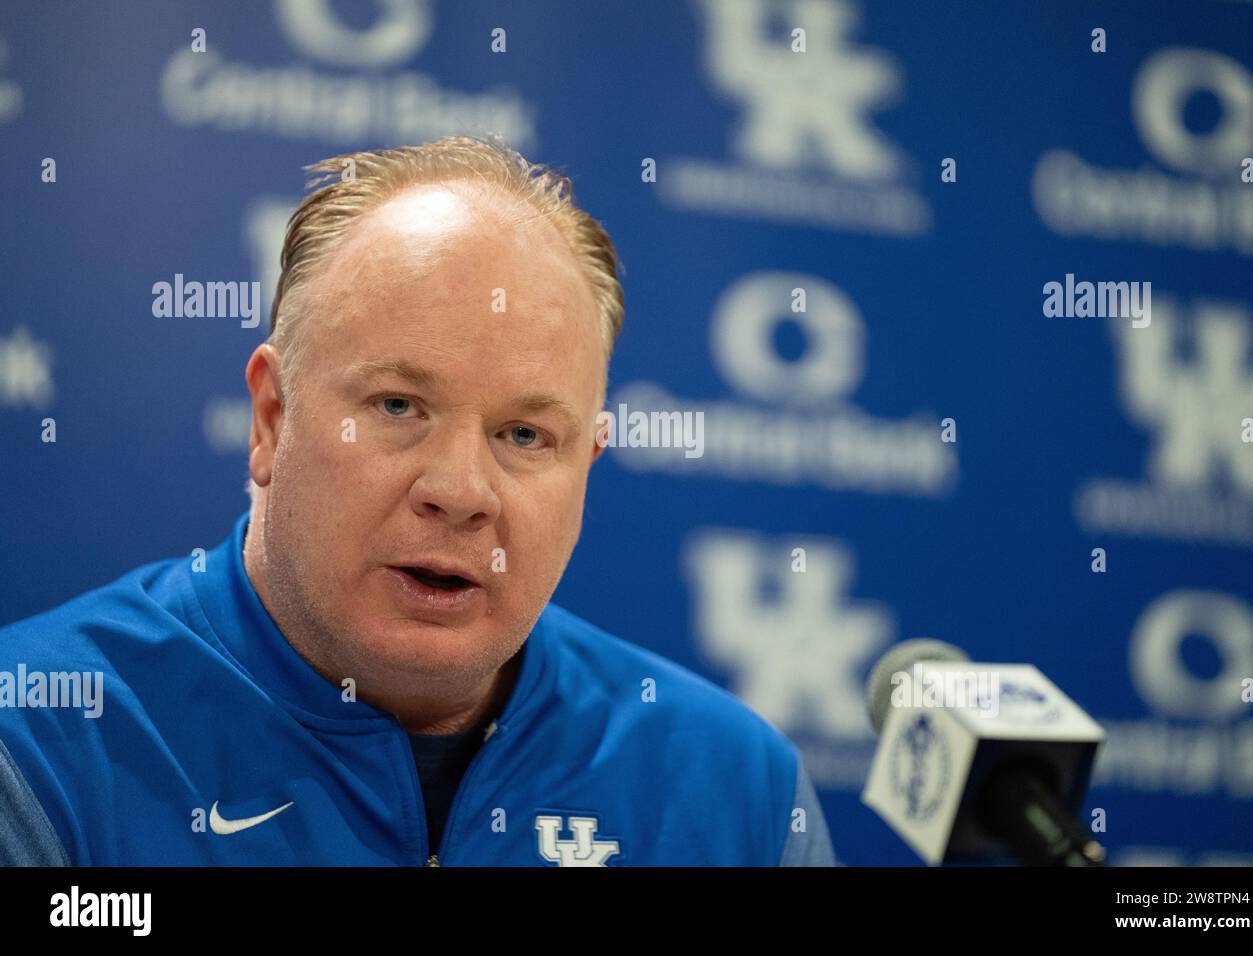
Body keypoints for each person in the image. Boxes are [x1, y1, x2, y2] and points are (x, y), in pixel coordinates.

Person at [0, 137, 837, 866]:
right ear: (272, 417)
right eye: (398, 407)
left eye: (524, 435)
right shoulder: (37, 743)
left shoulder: (739, 791)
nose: (460, 493)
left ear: (588, 463)